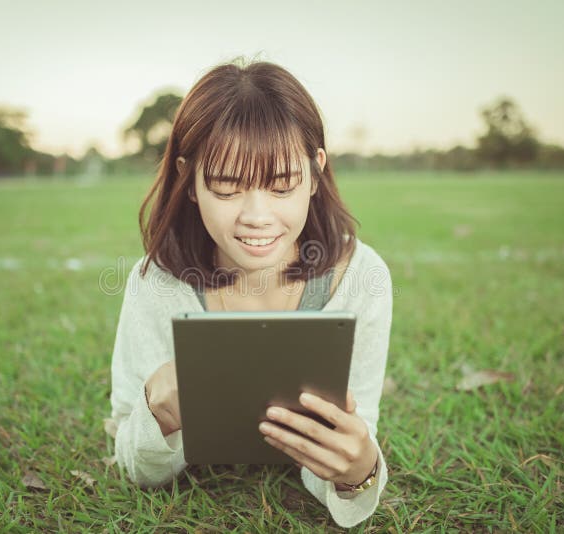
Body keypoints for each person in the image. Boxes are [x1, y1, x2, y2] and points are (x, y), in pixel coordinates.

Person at [107, 58, 394, 528]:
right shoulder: (156, 282)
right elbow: (135, 465)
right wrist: (157, 415)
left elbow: (354, 443)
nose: (256, 216)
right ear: (190, 179)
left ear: (316, 172)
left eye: (282, 186)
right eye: (226, 188)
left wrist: (358, 474)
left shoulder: (361, 278)